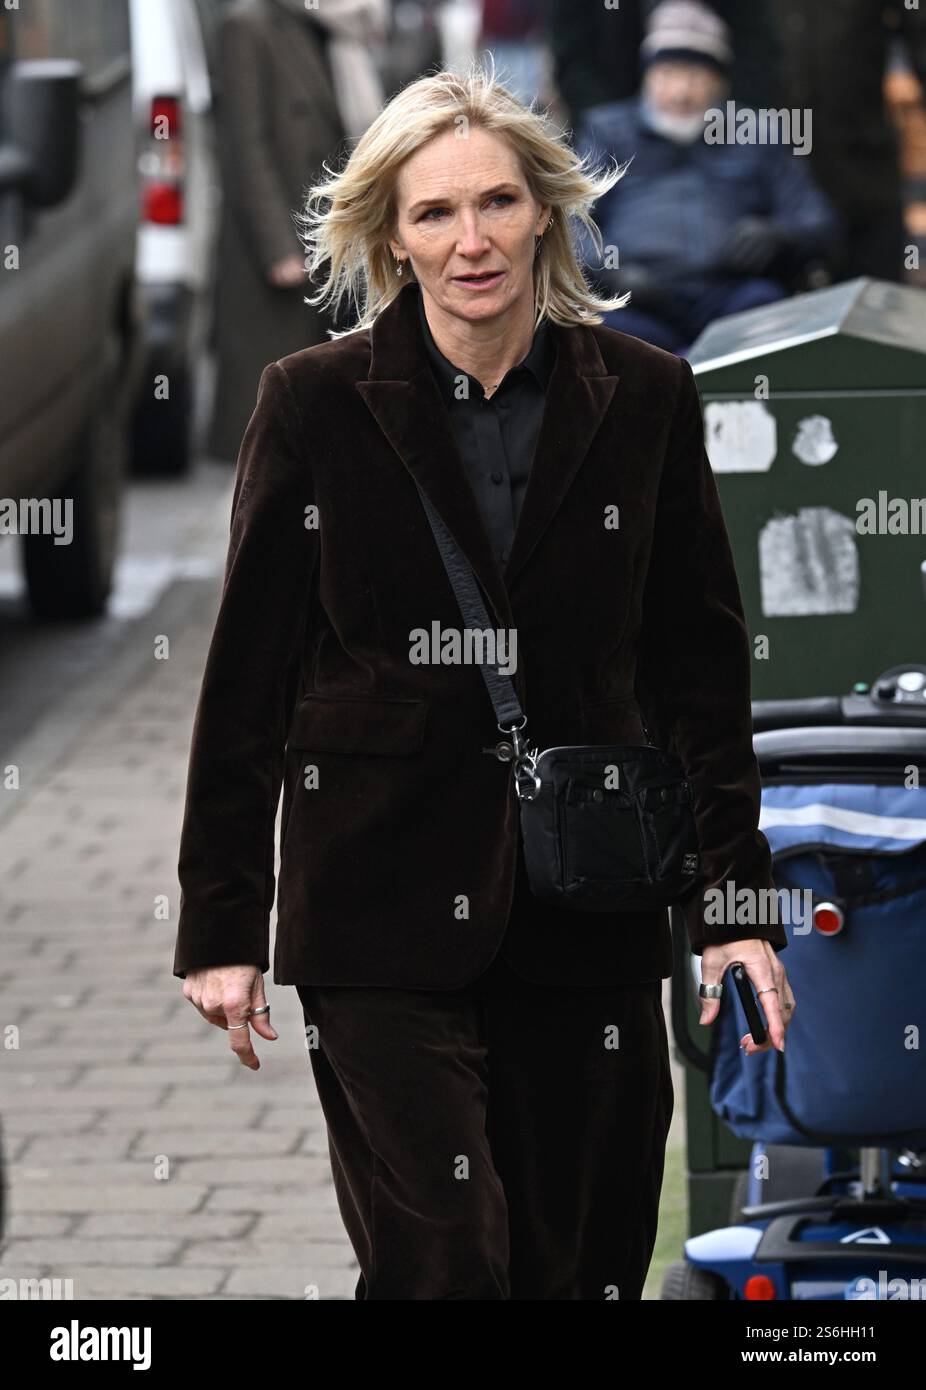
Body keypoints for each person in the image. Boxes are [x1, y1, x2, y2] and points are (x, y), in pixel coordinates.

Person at [173, 58, 795, 1301]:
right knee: (444, 1264)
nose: (473, 241)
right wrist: (221, 923)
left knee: (581, 1267)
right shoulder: (312, 404)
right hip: (379, 907)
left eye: (498, 203)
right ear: (391, 239)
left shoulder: (646, 398)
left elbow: (697, 669)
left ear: (545, 212)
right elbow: (247, 679)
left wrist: (731, 901)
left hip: (591, 907)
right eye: (435, 213)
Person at [574, 1, 840, 354]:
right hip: (635, 303)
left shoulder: (756, 132)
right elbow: (571, 224)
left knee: (769, 308)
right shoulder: (608, 131)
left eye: (696, 75)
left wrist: (778, 236)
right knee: (594, 332)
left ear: (720, 84)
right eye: (669, 73)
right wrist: (613, 272)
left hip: (731, 300)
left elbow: (818, 221)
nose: (682, 92)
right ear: (647, 76)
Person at [206, 0, 388, 462]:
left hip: (342, 243)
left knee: (328, 424)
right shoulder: (247, 26)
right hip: (284, 252)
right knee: (271, 435)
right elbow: (245, 146)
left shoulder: (342, 26)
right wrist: (276, 248)